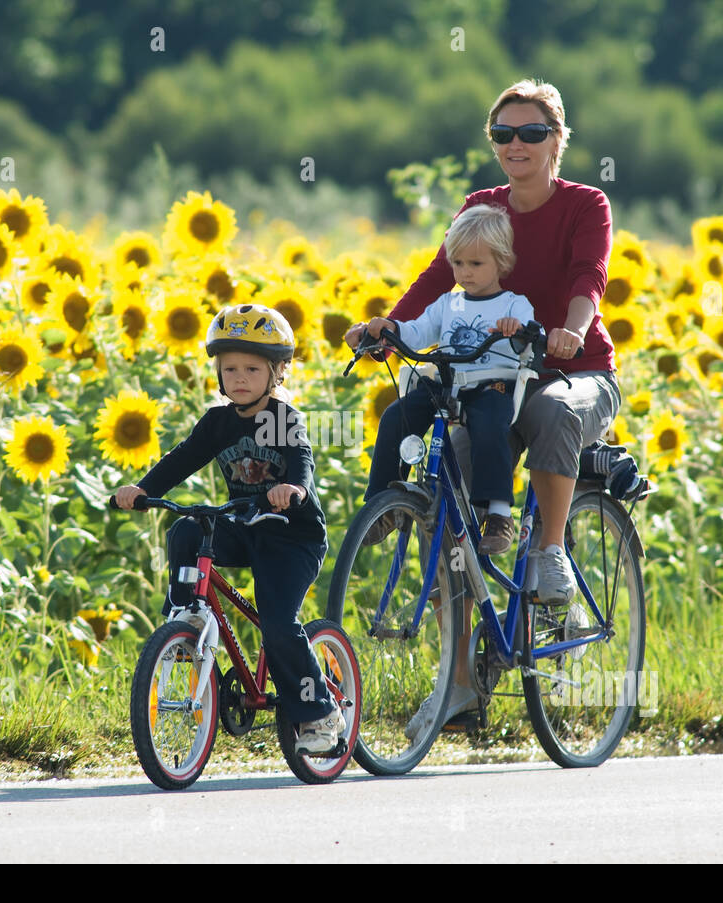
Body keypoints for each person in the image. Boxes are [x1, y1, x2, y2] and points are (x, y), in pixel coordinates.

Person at [345, 79, 621, 734]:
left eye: (530, 133)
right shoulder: (481, 205)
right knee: (453, 483)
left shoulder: (586, 204)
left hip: (571, 370)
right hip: (489, 380)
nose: (515, 145)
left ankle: (550, 551)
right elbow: (440, 278)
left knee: (552, 413)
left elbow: (590, 276)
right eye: (503, 134)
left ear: (557, 140)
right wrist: (391, 325)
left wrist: (574, 329)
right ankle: (458, 682)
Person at [112, 304, 345, 755]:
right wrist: (141, 489)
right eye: (230, 368)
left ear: (277, 372)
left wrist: (293, 487)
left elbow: (302, 462)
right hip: (245, 525)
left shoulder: (284, 418)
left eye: (252, 368)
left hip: (291, 536)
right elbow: (180, 460)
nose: (239, 377)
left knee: (278, 624)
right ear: (218, 374)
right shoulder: (217, 422)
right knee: (185, 531)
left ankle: (320, 713)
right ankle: (186, 616)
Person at [359, 203, 537, 555]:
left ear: (502, 261)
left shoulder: (515, 304)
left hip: (492, 384)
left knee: (489, 425)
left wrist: (516, 331)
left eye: (475, 264)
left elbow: (531, 336)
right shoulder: (447, 304)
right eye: (457, 263)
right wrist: (385, 331)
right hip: (448, 383)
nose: (465, 272)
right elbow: (416, 332)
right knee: (396, 415)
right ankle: (382, 505)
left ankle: (499, 514)